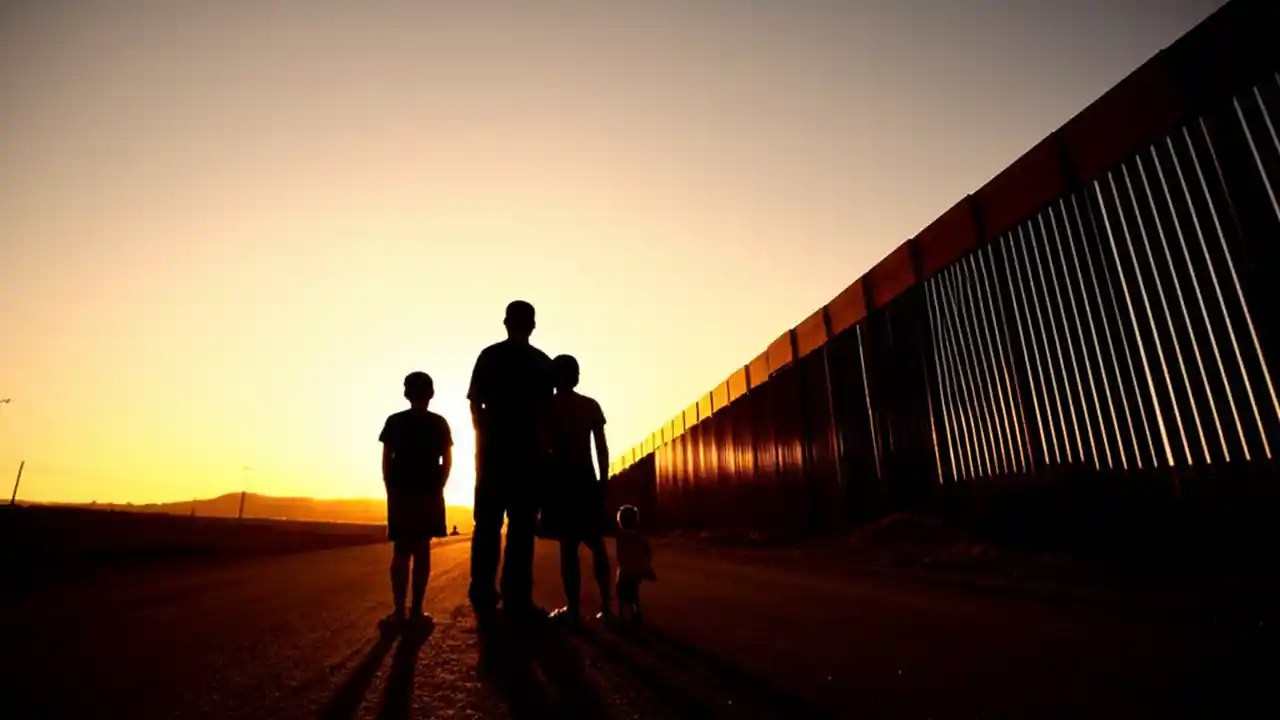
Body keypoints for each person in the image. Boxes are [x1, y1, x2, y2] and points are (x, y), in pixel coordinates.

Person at [467, 300, 554, 620]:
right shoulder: (541, 363)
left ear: (506, 323)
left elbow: (476, 406)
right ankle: (516, 596)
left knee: (488, 525)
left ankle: (483, 591)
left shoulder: (490, 357)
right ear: (531, 326)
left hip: (495, 455)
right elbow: (548, 416)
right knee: (520, 529)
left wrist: (483, 440)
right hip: (527, 458)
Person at [542, 355, 612, 625]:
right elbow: (601, 448)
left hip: (559, 479)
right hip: (585, 477)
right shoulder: (590, 406)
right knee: (596, 544)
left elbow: (543, 448)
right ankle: (606, 607)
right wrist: (603, 481)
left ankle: (572, 609)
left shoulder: (548, 408)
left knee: (568, 548)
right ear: (577, 376)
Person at [378, 371, 453, 628]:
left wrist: (390, 487)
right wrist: (439, 485)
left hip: (401, 492)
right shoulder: (439, 423)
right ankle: (417, 611)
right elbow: (447, 459)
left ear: (406, 392)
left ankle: (399, 612)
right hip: (429, 492)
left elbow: (387, 459)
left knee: (400, 550)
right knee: (422, 550)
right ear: (431, 393)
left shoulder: (395, 422)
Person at [614, 505, 655, 622]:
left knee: (621, 592)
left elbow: (620, 557)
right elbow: (647, 554)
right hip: (636, 571)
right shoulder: (640, 537)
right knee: (633, 592)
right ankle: (637, 611)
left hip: (625, 571)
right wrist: (647, 569)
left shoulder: (621, 537)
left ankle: (623, 615)